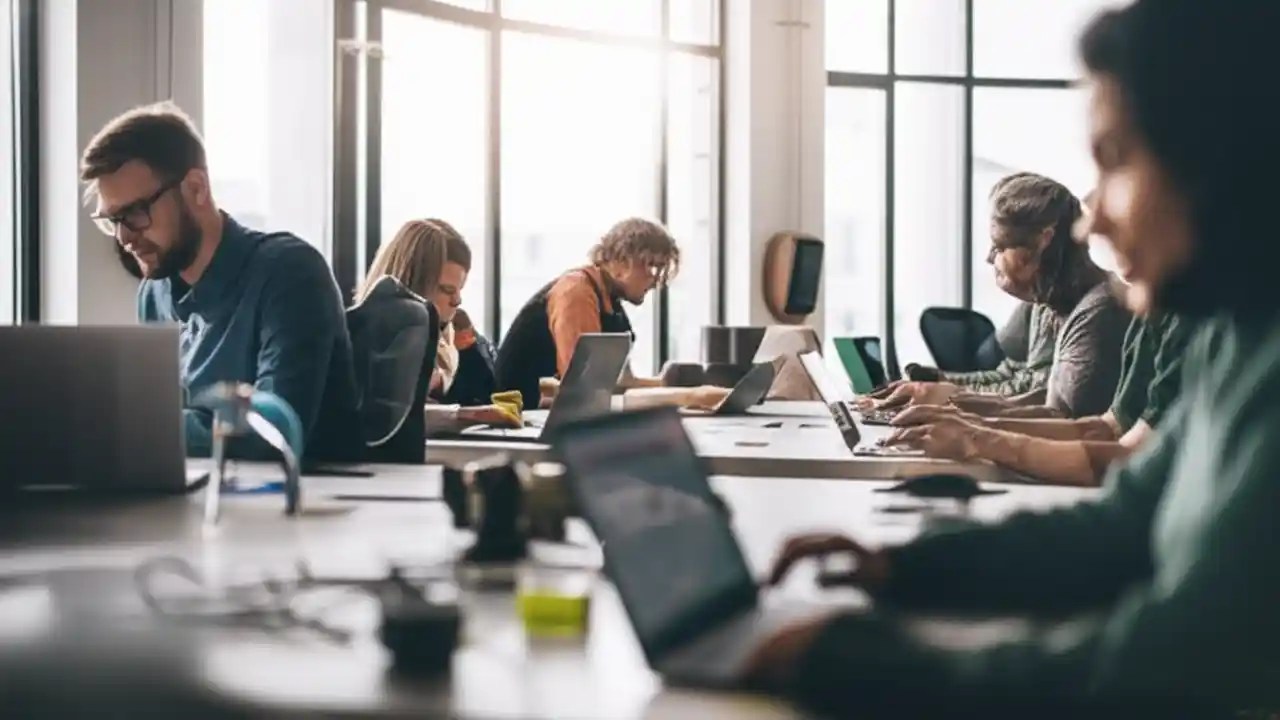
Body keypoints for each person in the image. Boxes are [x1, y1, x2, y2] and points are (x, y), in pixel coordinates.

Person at [746, 1, 1280, 715]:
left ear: (1216, 157)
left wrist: (859, 667)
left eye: (1118, 160)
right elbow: (1119, 527)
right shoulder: (1235, 338)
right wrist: (901, 567)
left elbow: (1169, 665)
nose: (1095, 222)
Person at [82, 102, 361, 462]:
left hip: (298, 505)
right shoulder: (154, 293)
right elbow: (163, 424)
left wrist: (132, 427)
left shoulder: (290, 273)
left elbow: (273, 433)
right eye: (113, 219)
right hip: (209, 495)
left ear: (196, 188)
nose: (124, 237)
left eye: (136, 212)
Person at [883, 173, 1131, 419]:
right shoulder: (1044, 304)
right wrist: (940, 383)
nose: (990, 258)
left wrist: (952, 400)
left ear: (1042, 241)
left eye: (1000, 247)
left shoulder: (1100, 312)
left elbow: (1058, 418)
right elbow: (1011, 376)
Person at [495, 218, 680, 410]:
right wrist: (686, 396)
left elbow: (617, 382)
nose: (656, 280)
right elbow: (583, 386)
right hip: (519, 420)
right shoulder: (577, 293)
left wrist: (670, 385)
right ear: (622, 261)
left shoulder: (610, 303)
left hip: (547, 415)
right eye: (651, 267)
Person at [353, 219, 514, 435]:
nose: (457, 300)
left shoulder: (454, 333)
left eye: (460, 289)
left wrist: (469, 345)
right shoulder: (371, 341)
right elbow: (381, 421)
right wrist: (463, 416)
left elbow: (489, 392)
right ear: (412, 283)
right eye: (447, 290)